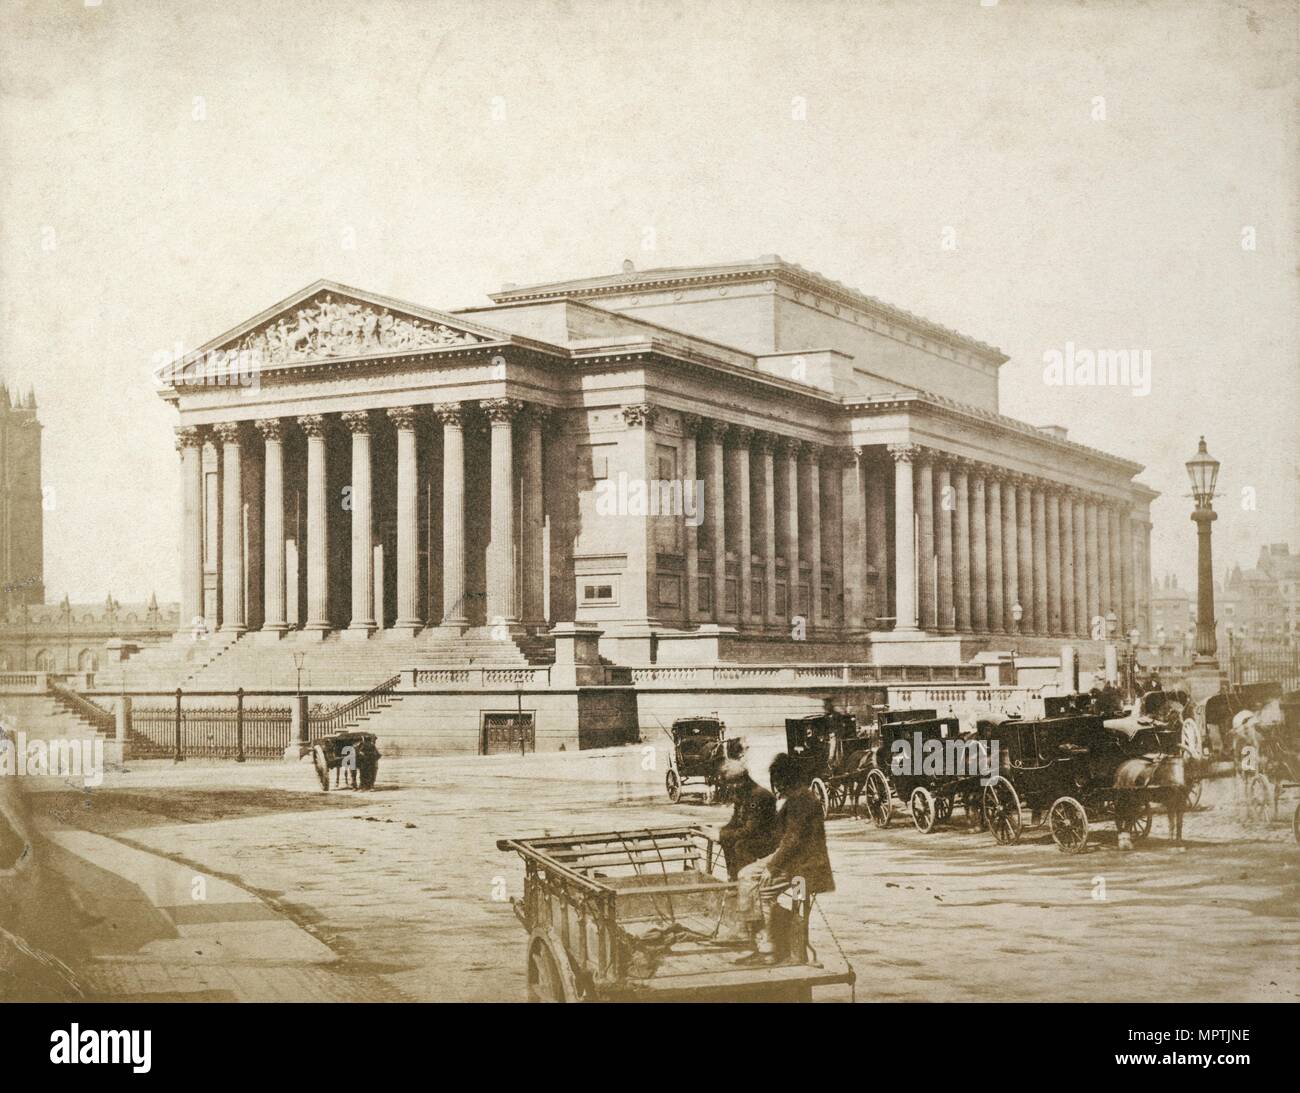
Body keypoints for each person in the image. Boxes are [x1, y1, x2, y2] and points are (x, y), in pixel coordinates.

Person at [735, 752, 835, 966]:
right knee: (746, 875)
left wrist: (771, 867)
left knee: (764, 890)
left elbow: (793, 839)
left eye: (779, 780)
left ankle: (769, 947)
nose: (777, 786)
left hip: (805, 869)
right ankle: (762, 942)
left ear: (787, 778)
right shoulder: (797, 797)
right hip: (796, 861)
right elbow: (780, 837)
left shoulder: (802, 800)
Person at [717, 758, 777, 880]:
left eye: (732, 783)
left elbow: (750, 830)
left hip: (769, 839)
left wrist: (724, 835)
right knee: (727, 839)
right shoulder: (741, 792)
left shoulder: (759, 796)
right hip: (755, 836)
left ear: (742, 779)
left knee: (741, 845)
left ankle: (747, 882)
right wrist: (721, 831)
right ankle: (733, 878)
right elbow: (735, 821)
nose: (731, 787)